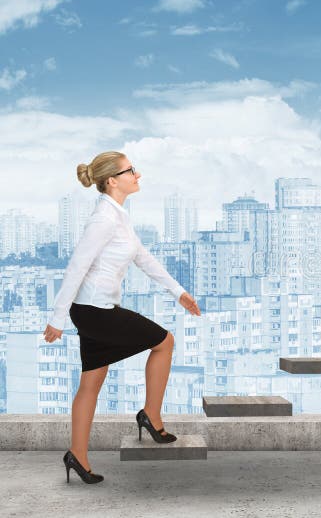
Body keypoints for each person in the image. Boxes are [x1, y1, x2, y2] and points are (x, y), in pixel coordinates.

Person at [42, 151, 201, 484]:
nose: (138, 174)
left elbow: (144, 259)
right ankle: (151, 416)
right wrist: (57, 318)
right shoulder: (104, 219)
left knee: (90, 384)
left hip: (92, 309)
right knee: (165, 341)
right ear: (112, 180)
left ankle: (78, 457)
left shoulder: (118, 216)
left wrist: (179, 293)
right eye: (131, 171)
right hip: (95, 311)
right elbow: (77, 266)